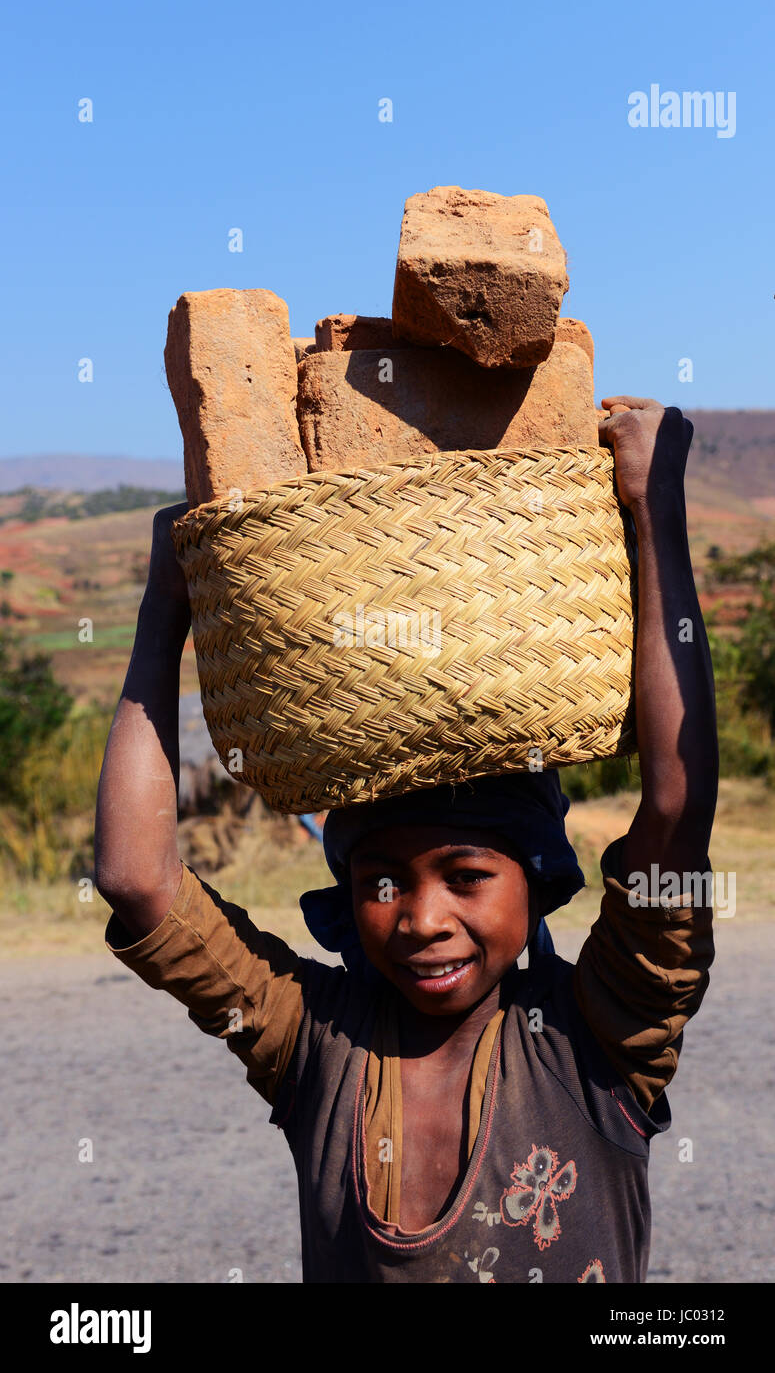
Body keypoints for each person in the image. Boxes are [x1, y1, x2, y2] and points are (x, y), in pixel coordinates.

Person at [94, 397, 718, 1283]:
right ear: (345, 896)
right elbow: (135, 880)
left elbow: (675, 806)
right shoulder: (313, 1044)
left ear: (536, 880)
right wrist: (167, 605)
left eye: (465, 876)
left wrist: (655, 511)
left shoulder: (601, 1039)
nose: (421, 918)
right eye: (381, 882)